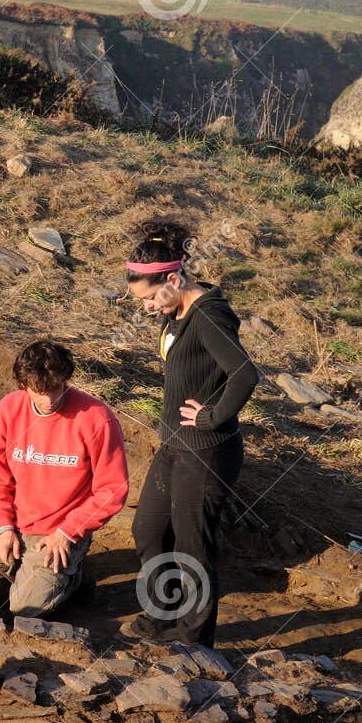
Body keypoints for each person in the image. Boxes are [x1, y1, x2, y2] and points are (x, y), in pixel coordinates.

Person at [122, 220, 259, 648]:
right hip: (175, 445)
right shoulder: (178, 310)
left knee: (192, 543)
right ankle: (165, 614)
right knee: (148, 529)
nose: (146, 307)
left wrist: (212, 417)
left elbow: (244, 373)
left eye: (149, 298)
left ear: (174, 279)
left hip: (206, 450)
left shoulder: (208, 316)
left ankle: (194, 637)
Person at [0, 340, 129, 616]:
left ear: (66, 379)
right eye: (39, 392)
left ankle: (74, 576)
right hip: (15, 526)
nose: (49, 400)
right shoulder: (10, 409)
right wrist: (2, 527)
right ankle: (25, 572)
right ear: (23, 385)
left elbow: (112, 489)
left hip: (61, 532)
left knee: (25, 608)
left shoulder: (96, 418)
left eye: (56, 389)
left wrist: (69, 532)